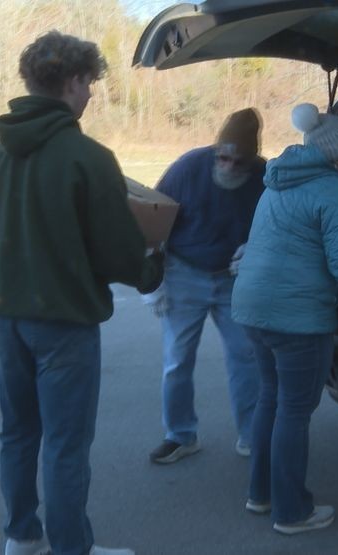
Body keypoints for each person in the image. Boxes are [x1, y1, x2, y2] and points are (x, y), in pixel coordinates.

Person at [0, 30, 162, 555]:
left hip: (5, 318)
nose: (91, 94)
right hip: (62, 323)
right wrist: (151, 269)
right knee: (65, 445)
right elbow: (118, 251)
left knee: (18, 433)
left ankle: (21, 537)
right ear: (73, 82)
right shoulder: (87, 157)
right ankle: (71, 548)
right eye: (89, 83)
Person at [231, 103, 338, 535]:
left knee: (271, 397)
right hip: (297, 319)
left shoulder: (278, 182)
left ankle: (261, 493)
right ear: (337, 156)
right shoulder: (335, 191)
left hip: (252, 309)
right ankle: (292, 512)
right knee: (294, 410)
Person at [143, 109, 266, 464]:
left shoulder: (264, 177)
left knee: (246, 356)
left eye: (238, 162)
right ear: (215, 151)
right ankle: (180, 435)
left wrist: (256, 249)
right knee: (177, 358)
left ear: (252, 159)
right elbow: (153, 219)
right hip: (184, 273)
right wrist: (151, 281)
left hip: (234, 278)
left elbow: (277, 223)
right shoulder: (188, 169)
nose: (228, 167)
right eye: (223, 158)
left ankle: (252, 434)